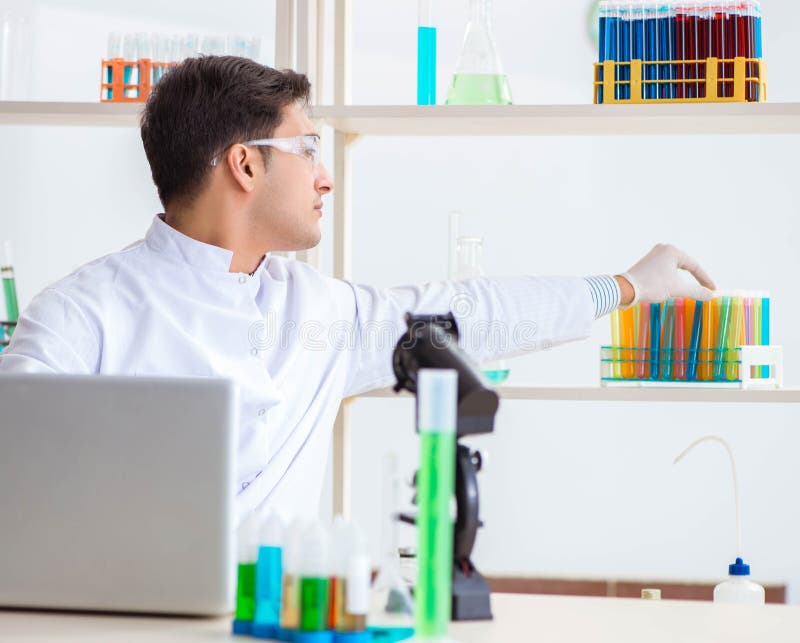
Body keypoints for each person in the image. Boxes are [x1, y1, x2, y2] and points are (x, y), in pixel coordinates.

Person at [0, 57, 716, 520]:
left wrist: (623, 287)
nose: (325, 175)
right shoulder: (80, 314)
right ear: (244, 166)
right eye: (308, 147)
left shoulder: (318, 313)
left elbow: (471, 312)